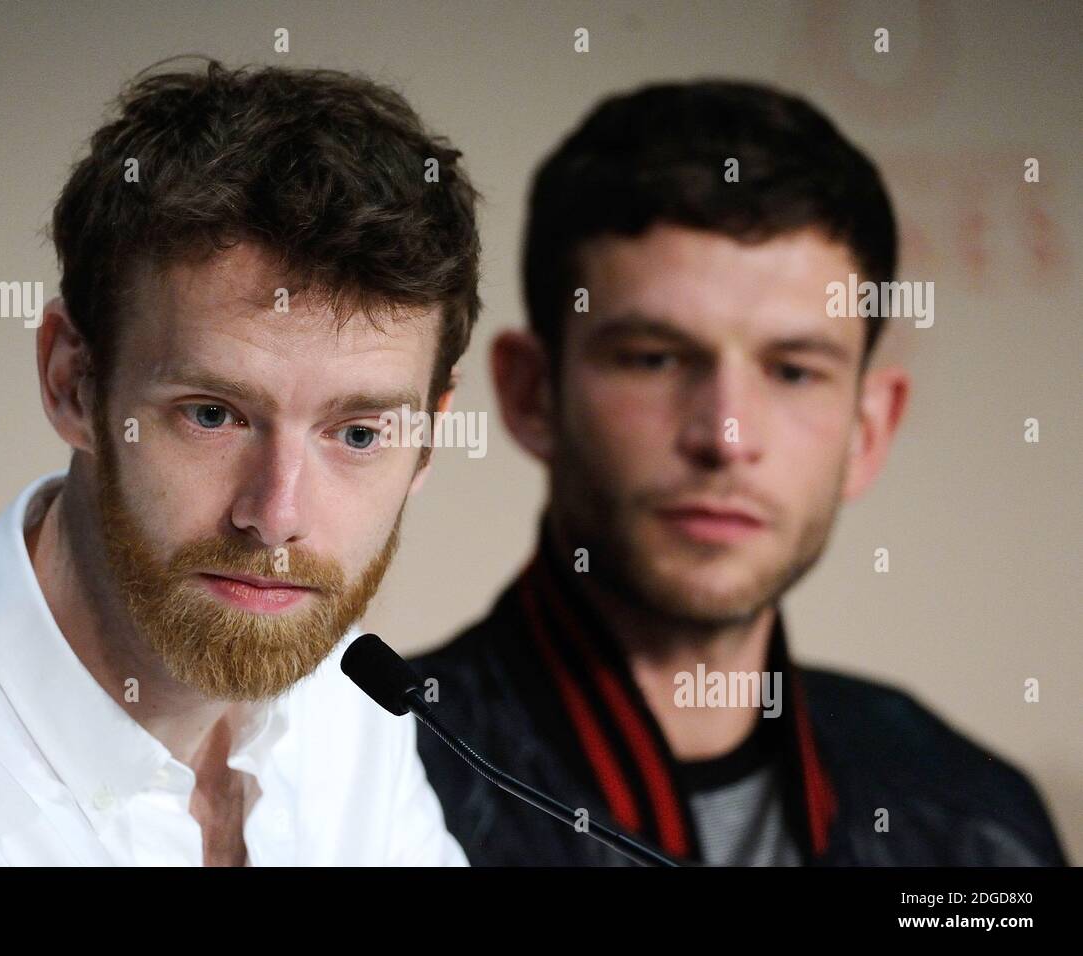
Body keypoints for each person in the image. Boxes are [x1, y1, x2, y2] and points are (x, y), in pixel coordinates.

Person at [0, 57, 481, 866]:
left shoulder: (346, 697)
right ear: (73, 382)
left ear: (429, 436)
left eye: (358, 434)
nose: (278, 518)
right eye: (213, 415)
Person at [412, 80, 1066, 866]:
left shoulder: (975, 824)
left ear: (868, 430)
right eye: (654, 358)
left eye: (793, 371)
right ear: (530, 395)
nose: (725, 436)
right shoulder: (369, 786)